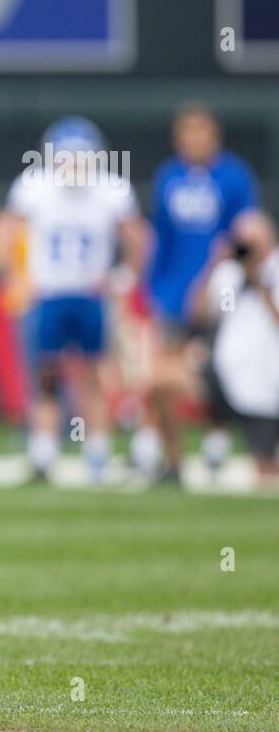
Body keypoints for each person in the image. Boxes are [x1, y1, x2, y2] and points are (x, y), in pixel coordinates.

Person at [0, 117, 145, 483]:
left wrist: (125, 278)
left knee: (93, 376)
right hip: (49, 294)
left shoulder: (111, 190)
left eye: (80, 158)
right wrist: (15, 277)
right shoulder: (34, 187)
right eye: (67, 158)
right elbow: (4, 236)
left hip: (91, 295)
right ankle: (44, 452)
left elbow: (138, 239)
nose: (73, 165)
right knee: (45, 377)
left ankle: (98, 453)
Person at [134, 104, 273, 483]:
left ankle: (219, 440)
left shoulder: (234, 176)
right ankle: (167, 454)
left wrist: (219, 273)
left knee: (225, 362)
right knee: (167, 370)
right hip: (177, 292)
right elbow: (160, 237)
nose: (195, 140)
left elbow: (245, 232)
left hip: (222, 291)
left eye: (202, 131)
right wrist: (155, 286)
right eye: (188, 132)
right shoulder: (169, 177)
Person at [196, 222, 279, 486]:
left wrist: (261, 286)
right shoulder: (228, 274)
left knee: (265, 469)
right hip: (226, 371)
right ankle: (213, 447)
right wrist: (212, 266)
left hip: (268, 380)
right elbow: (200, 315)